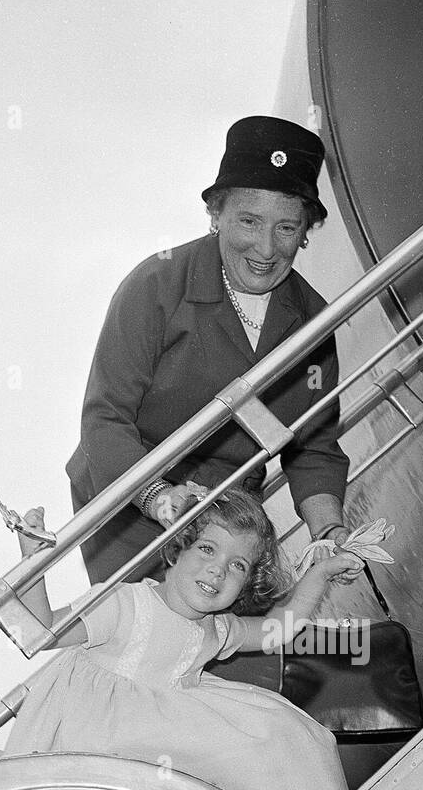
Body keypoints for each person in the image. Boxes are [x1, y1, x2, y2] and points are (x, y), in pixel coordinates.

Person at [66, 115, 355, 587]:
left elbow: (312, 448)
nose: (265, 247)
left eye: (286, 227)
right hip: (130, 503)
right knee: (150, 633)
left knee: (220, 648)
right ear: (216, 214)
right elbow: (105, 419)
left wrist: (330, 530)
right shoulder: (155, 285)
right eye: (248, 220)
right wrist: (161, 497)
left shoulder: (313, 320)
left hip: (228, 520)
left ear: (306, 232)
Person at [3, 491, 363, 790]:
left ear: (247, 583)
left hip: (168, 742)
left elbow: (277, 629)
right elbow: (43, 632)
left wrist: (320, 574)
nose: (217, 570)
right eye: (207, 549)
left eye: (237, 565)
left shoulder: (216, 628)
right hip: (101, 738)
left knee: (277, 727)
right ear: (176, 550)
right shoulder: (124, 603)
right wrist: (34, 561)